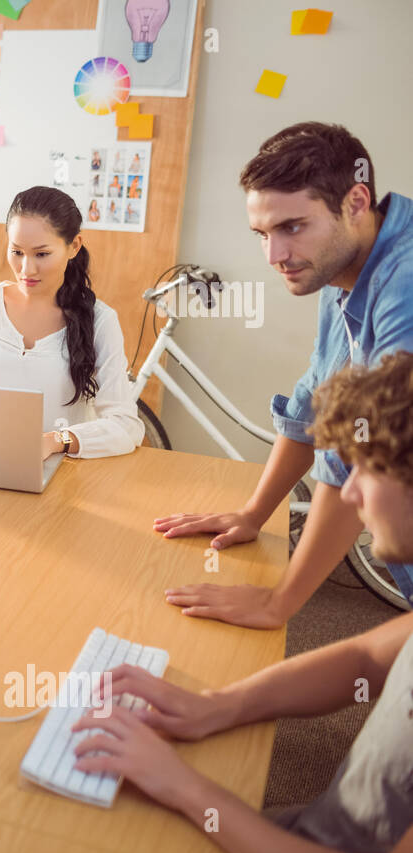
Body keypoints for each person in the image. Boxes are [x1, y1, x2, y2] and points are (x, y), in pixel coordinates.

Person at [75, 352, 413, 853]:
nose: (348, 492)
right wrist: (218, 705)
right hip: (307, 832)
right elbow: (367, 659)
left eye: (369, 469)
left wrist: (185, 788)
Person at [156, 122, 413, 627]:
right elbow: (311, 405)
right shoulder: (343, 264)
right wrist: (254, 514)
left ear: (357, 201)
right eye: (263, 234)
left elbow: (359, 453)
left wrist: (281, 603)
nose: (275, 257)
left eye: (292, 227)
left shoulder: (403, 285)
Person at [0, 186, 143, 459]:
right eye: (16, 252)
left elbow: (126, 426)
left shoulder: (100, 320)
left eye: (41, 254)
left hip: (61, 477)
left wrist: (55, 441)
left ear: (73, 247)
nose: (26, 269)